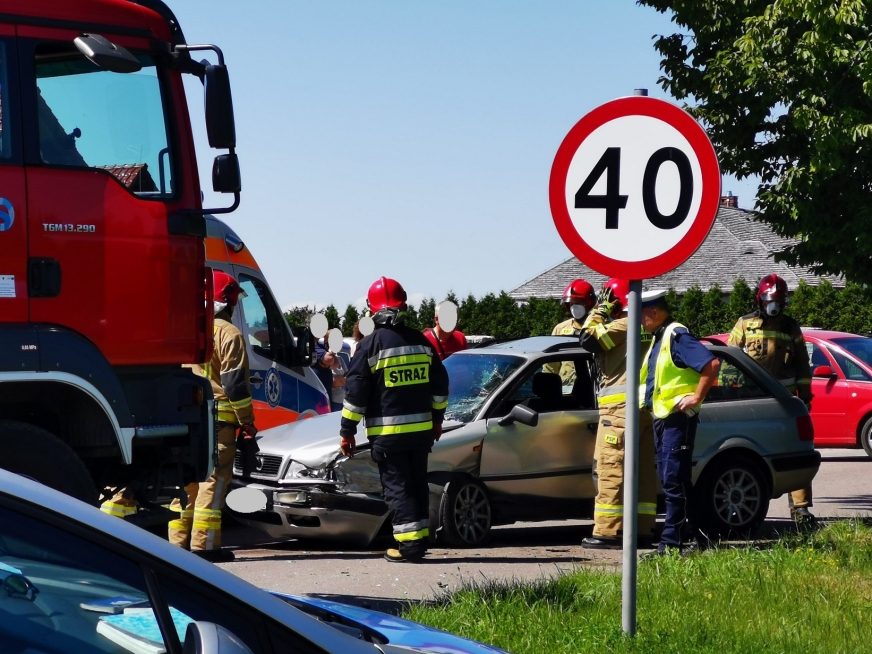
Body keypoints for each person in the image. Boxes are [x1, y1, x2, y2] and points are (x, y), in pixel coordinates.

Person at [340, 277, 449, 563]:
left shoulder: (369, 345)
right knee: (416, 485)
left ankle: (410, 547)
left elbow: (355, 396)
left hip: (388, 434)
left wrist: (347, 431)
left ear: (371, 309)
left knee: (398, 487)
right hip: (422, 432)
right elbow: (440, 386)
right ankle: (420, 540)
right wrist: (437, 419)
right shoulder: (421, 341)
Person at [167, 270, 257, 562]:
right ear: (229, 301)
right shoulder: (228, 334)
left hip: (184, 419)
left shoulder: (185, 328)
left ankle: (175, 546)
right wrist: (247, 422)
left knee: (186, 483)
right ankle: (205, 548)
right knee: (213, 482)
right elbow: (235, 385)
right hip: (218, 421)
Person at [728, 274, 815, 524]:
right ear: (760, 299)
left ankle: (801, 509)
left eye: (777, 300)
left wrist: (805, 397)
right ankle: (745, 508)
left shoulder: (790, 327)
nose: (773, 305)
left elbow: (802, 365)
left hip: (785, 400)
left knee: (795, 451)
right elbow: (730, 360)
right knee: (744, 451)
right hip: (752, 399)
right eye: (769, 300)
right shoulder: (744, 323)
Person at [578, 279, 658, 549]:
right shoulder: (649, 325)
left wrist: (600, 310)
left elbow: (588, 338)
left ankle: (607, 532)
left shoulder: (623, 325)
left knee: (611, 468)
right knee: (644, 472)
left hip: (619, 411)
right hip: (646, 409)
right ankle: (643, 528)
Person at [640, 290, 720, 555]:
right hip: (663, 417)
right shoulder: (659, 337)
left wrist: (696, 397)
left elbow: (711, 364)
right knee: (676, 480)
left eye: (642, 315)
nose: (639, 321)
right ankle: (700, 537)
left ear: (653, 312)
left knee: (673, 480)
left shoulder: (676, 335)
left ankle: (670, 544)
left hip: (677, 419)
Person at [546, 279, 597, 384]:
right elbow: (550, 367)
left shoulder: (600, 327)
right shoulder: (560, 329)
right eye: (571, 303)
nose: (574, 307)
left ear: (589, 302)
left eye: (578, 303)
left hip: (595, 387)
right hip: (568, 389)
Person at [314, 338, 345, 411]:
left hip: (339, 399)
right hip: (329, 400)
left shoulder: (339, 359)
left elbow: (348, 379)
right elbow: (334, 382)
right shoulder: (315, 347)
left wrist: (341, 379)